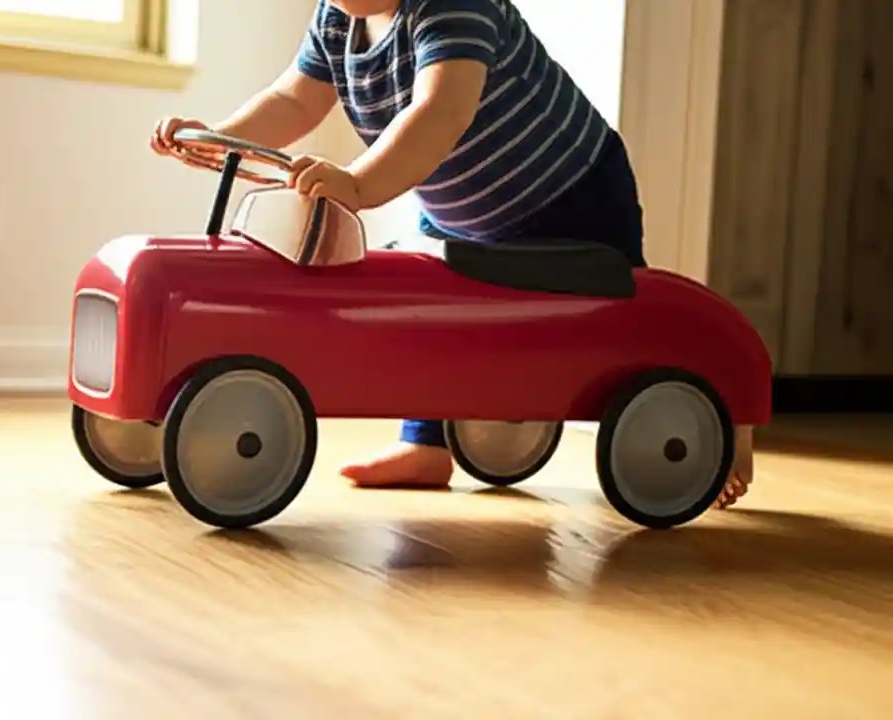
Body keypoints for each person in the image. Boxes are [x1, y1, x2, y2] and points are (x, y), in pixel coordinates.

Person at [149, 0, 754, 508]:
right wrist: (223, 136)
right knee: (439, 318)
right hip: (461, 211)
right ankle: (428, 445)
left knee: (626, 322)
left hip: (570, 192)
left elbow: (441, 111)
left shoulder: (453, 5)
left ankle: (720, 416)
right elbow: (294, 100)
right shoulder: (339, 19)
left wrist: (357, 186)